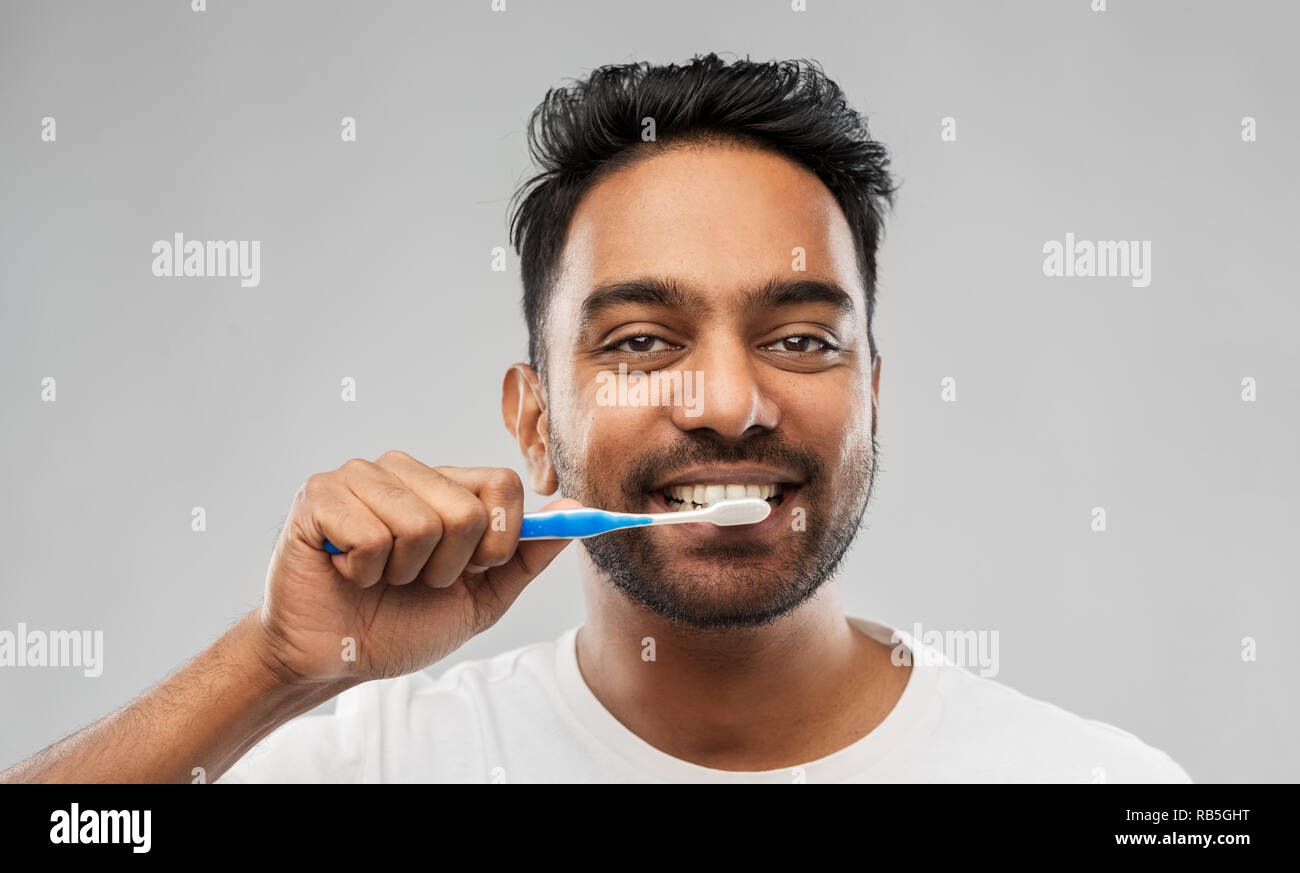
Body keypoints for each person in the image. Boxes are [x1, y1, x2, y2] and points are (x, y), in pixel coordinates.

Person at [1, 54, 1190, 784]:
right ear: (533, 416)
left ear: (870, 391)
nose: (728, 402)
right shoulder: (361, 766)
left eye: (798, 339)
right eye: (639, 343)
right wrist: (266, 671)